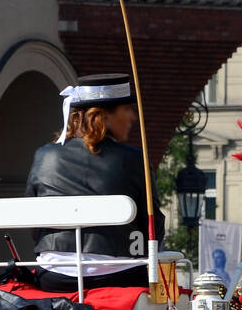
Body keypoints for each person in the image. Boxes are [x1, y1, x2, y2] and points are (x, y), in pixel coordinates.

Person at [23, 74, 165, 293]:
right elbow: (154, 225)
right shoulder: (134, 158)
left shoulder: (43, 155)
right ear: (103, 116)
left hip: (54, 276)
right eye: (127, 109)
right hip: (118, 276)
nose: (133, 118)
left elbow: (34, 223)